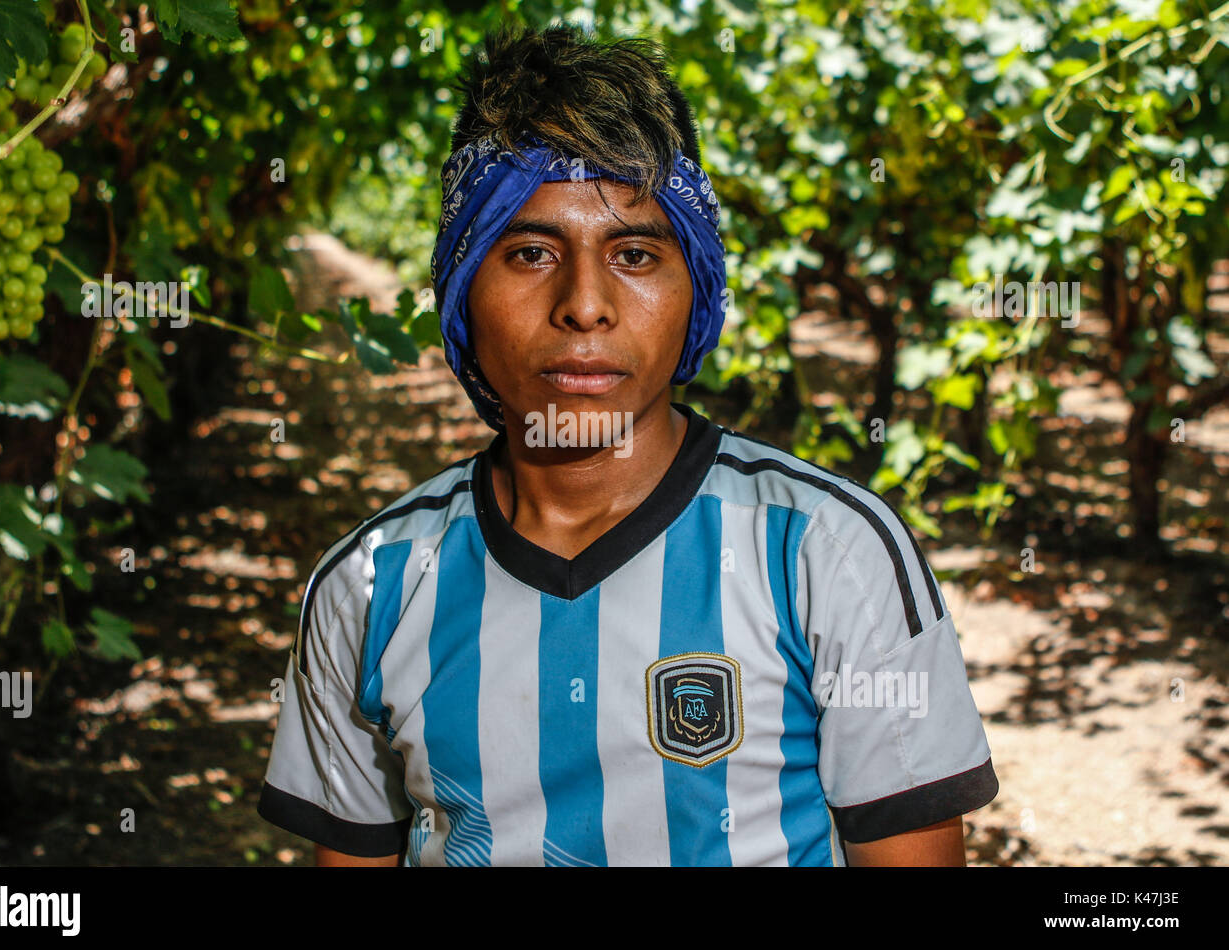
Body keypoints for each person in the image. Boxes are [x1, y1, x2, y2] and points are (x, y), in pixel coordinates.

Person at [257, 23, 998, 867]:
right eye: (531, 251)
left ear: (697, 292)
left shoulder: (826, 555)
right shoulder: (369, 585)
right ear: (461, 289)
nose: (585, 305)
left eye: (636, 253)